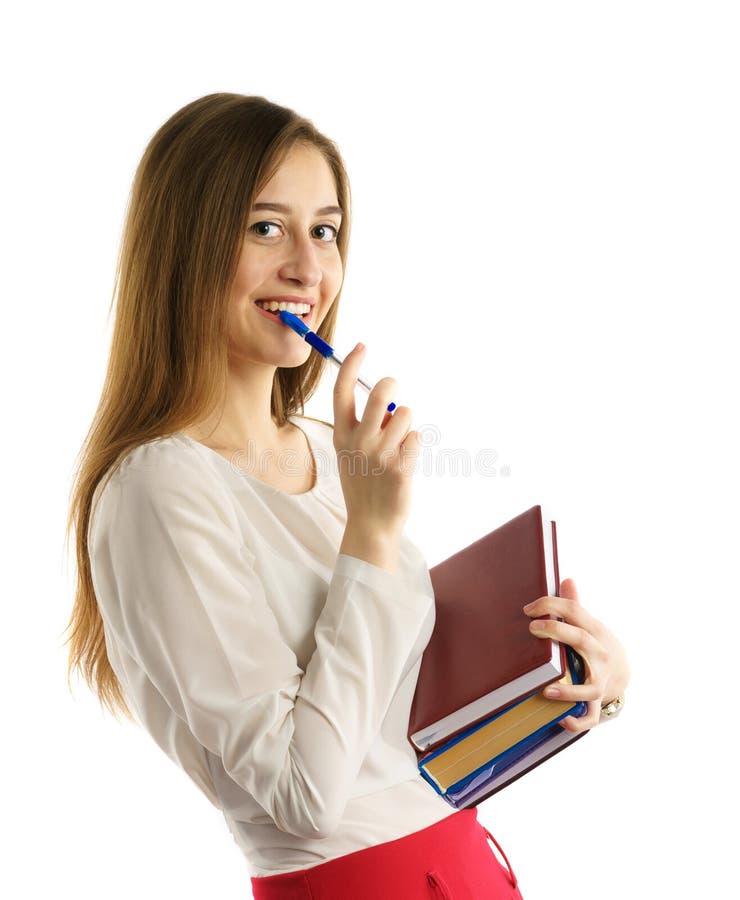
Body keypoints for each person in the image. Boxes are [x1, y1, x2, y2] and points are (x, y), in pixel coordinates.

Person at [65, 93, 630, 899]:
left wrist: (577, 683)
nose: (309, 268)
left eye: (325, 231)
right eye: (266, 227)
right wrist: (370, 533)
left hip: (464, 864)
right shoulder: (158, 487)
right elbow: (306, 795)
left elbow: (400, 737)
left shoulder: (333, 454)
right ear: (185, 244)